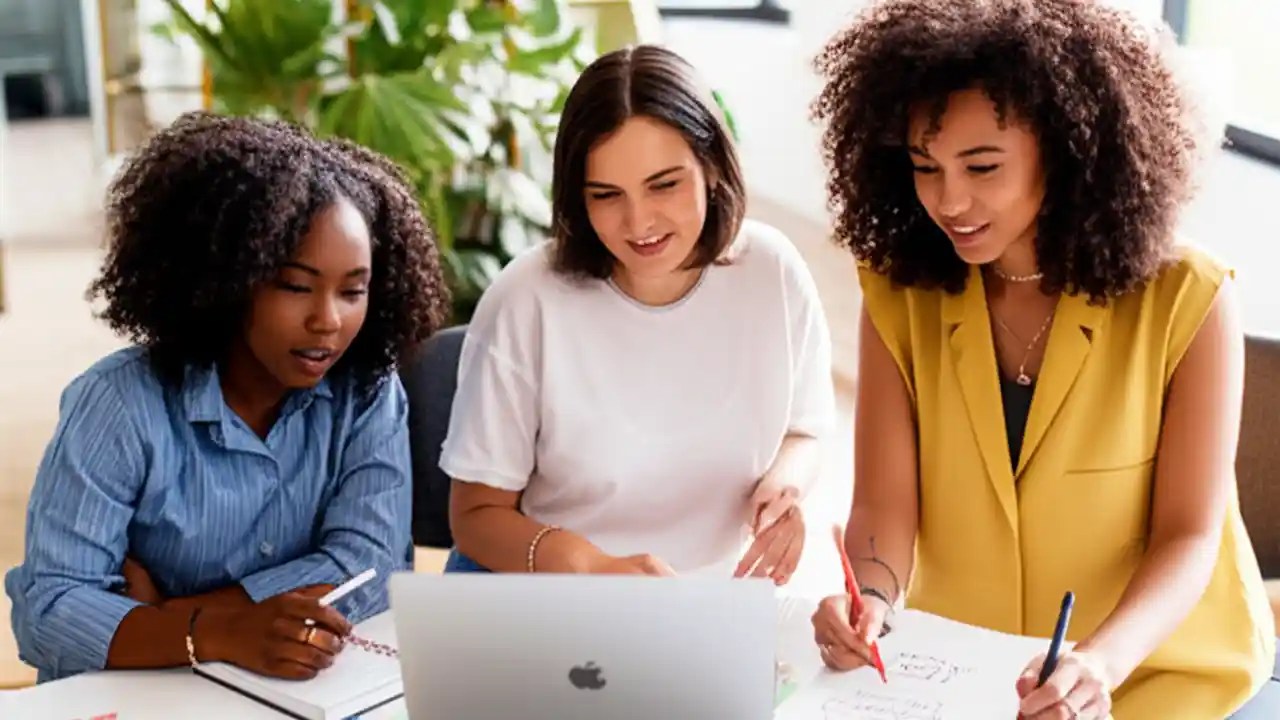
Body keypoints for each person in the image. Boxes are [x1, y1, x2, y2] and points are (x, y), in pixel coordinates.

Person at [806, 1, 1276, 718]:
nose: (948, 200)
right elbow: (884, 502)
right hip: (970, 672)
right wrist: (870, 598)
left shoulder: (1190, 297)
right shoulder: (899, 294)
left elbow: (1189, 535)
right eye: (925, 166)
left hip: (1157, 673)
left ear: (1065, 147)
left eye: (982, 166)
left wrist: (1100, 666)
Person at [5, 111, 449, 683]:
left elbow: (368, 570)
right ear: (227, 280)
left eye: (353, 291)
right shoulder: (117, 404)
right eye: (295, 286)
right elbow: (50, 612)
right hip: (136, 694)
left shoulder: (367, 390)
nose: (328, 320)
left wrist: (169, 615)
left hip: (295, 685)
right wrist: (222, 634)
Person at [440, 44, 835, 582]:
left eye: (664, 185)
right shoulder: (527, 298)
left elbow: (805, 430)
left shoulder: (773, 272)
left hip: (710, 597)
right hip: (550, 596)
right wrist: (591, 566)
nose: (638, 222)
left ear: (713, 167)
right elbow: (476, 519)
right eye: (606, 195)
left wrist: (784, 487)